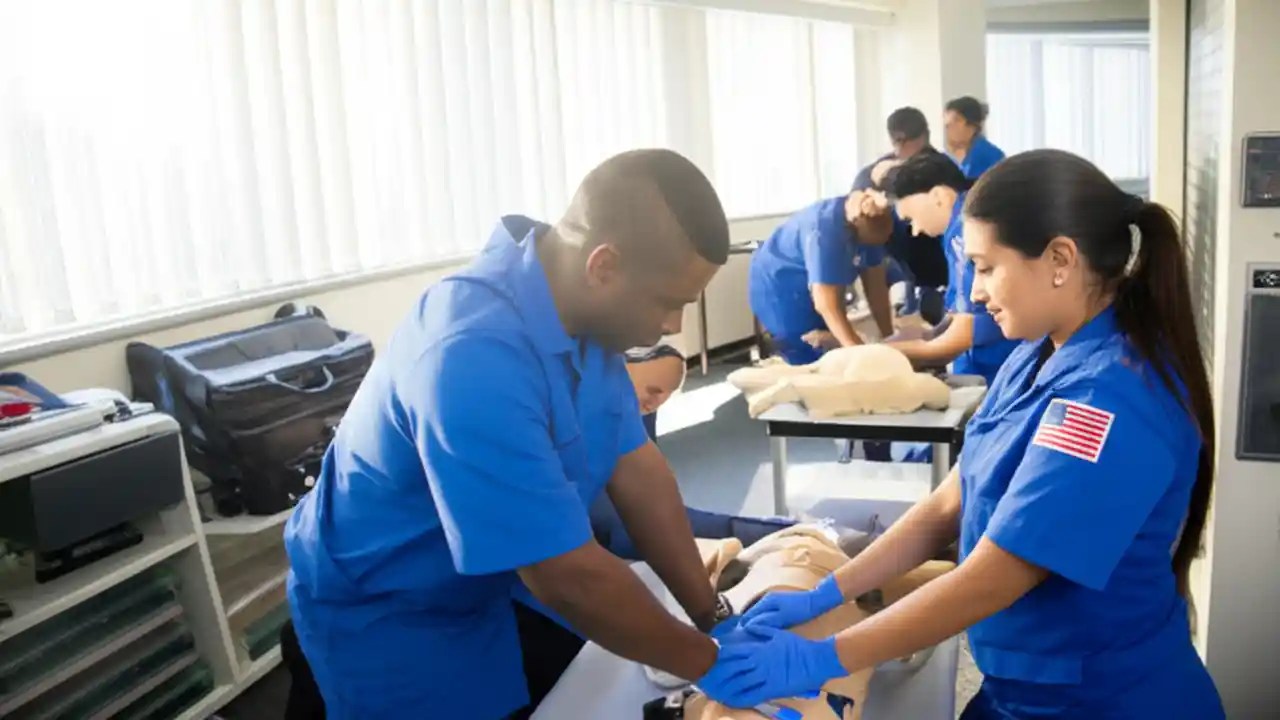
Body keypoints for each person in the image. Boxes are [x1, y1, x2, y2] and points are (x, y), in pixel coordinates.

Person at [708, 149, 1225, 718]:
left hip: (1102, 698)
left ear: (1060, 259)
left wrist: (823, 657)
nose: (973, 292)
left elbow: (994, 578)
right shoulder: (1036, 358)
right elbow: (946, 504)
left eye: (984, 266)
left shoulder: (1107, 403)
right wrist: (829, 592)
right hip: (1024, 687)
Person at [282, 149, 749, 719]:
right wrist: (716, 664)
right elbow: (568, 577)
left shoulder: (587, 322)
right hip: (386, 607)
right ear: (603, 266)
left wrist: (714, 616)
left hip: (480, 585)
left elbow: (641, 474)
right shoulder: (471, 353)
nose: (673, 326)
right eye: (668, 303)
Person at [881, 152, 1018, 385]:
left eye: (911, 218)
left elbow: (953, 343)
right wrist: (926, 336)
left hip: (996, 369)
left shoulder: (964, 233)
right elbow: (959, 313)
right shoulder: (961, 226)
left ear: (939, 197)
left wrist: (879, 354)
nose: (915, 230)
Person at [748, 192, 894, 366]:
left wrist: (890, 339)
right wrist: (860, 354)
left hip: (814, 286)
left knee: (835, 347)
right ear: (854, 227)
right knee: (812, 354)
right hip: (779, 286)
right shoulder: (824, 230)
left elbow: (876, 288)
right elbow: (826, 304)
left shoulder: (874, 226)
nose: (870, 249)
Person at [852, 107, 949, 321]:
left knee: (934, 320)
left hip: (937, 269)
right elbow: (856, 207)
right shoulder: (875, 172)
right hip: (900, 265)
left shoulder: (941, 169)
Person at [944, 96, 1005, 180]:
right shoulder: (947, 158)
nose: (950, 127)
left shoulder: (991, 156)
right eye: (947, 124)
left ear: (972, 125)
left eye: (956, 121)